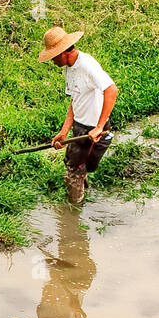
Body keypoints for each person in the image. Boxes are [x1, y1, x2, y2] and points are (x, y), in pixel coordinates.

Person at [37, 26, 117, 205]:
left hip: (93, 130)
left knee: (75, 172)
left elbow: (111, 90)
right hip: (79, 127)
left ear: (63, 52)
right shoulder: (69, 68)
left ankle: (73, 213)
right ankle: (80, 185)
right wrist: (64, 131)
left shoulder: (87, 65)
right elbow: (75, 100)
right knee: (74, 167)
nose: (52, 61)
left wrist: (99, 127)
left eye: (53, 56)